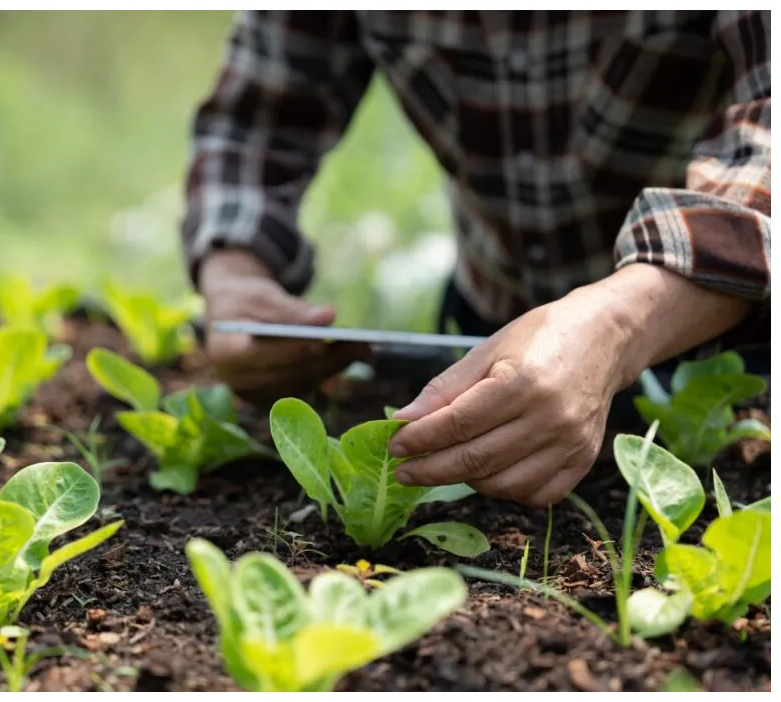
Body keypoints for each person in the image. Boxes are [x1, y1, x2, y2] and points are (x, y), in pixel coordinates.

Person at [179, 11, 770, 508]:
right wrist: (234, 274)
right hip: (482, 335)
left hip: (721, 346)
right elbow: (253, 125)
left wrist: (619, 322)